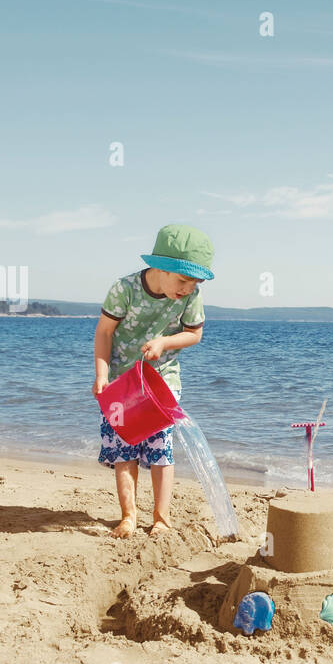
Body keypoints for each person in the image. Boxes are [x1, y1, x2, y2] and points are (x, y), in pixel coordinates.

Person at [92, 224, 213, 537]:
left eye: (194, 282)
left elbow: (195, 333)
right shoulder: (125, 289)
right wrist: (102, 374)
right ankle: (128, 517)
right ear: (160, 267)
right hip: (121, 380)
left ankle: (161, 517)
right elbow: (105, 331)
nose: (187, 288)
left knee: (161, 446)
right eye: (183, 279)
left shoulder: (191, 296)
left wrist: (164, 343)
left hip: (163, 380)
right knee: (124, 446)